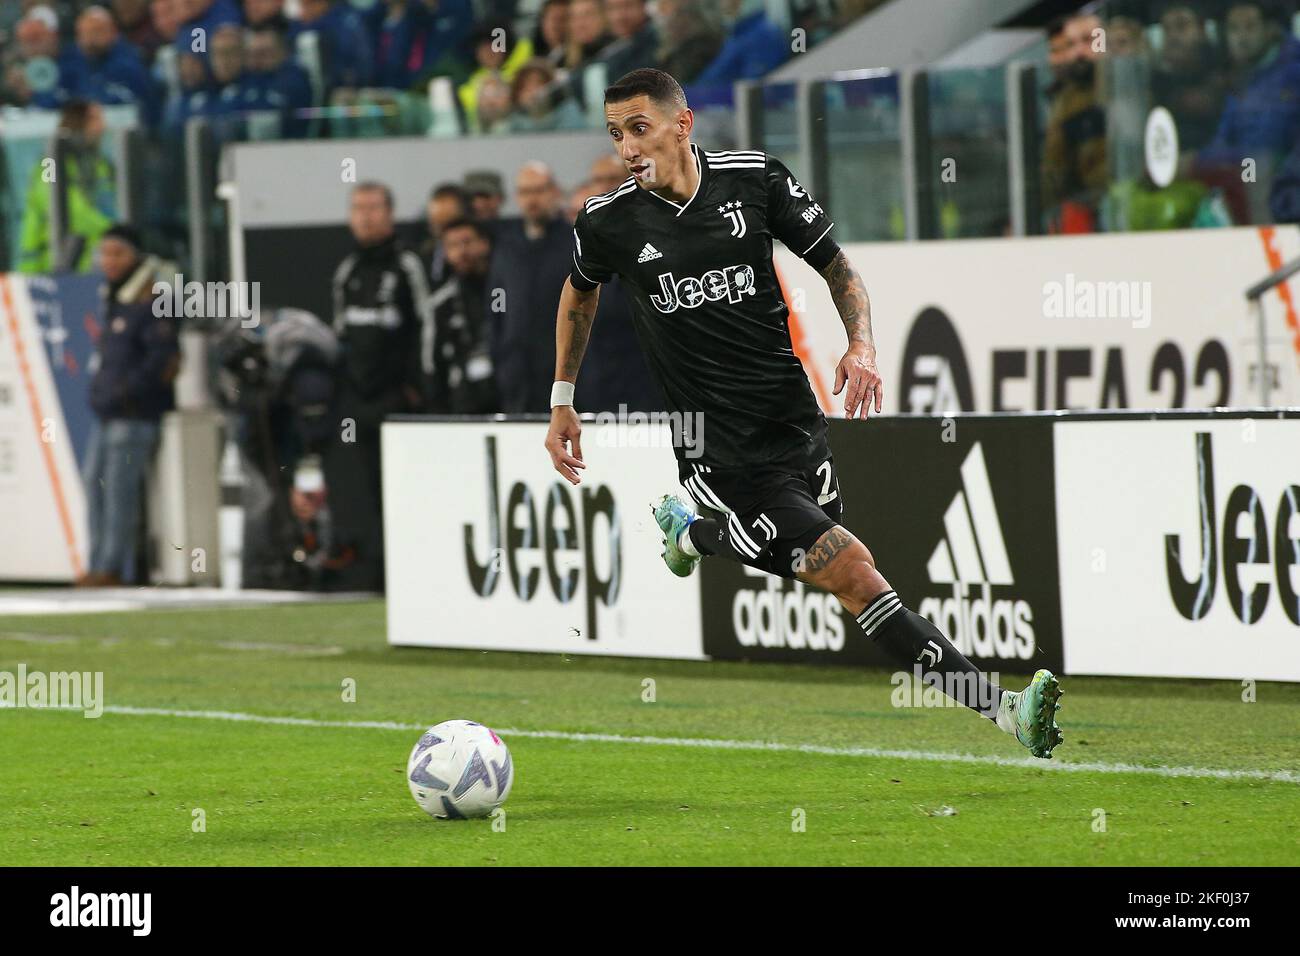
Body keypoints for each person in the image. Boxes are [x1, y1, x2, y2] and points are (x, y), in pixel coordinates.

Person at [544, 68, 1064, 759]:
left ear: (683, 123)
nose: (628, 149)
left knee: (831, 569)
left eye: (639, 129)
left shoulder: (755, 181)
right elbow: (579, 295)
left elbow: (838, 268)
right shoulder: (608, 222)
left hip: (794, 424)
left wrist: (863, 344)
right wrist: (562, 400)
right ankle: (1005, 712)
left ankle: (693, 537)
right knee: (854, 573)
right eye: (616, 135)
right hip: (716, 449)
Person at [323, 182, 431, 590]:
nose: (366, 216)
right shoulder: (347, 271)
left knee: (400, 487)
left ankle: (408, 572)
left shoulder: (407, 266)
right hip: (357, 399)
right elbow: (339, 336)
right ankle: (371, 573)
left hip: (396, 397)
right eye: (358, 208)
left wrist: (417, 386)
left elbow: (426, 327)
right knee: (360, 488)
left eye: (374, 208)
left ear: (390, 214)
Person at [81, 224, 179, 587]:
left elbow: (161, 362)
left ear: (136, 256)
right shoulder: (116, 298)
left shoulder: (154, 299)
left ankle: (113, 568)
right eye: (104, 253)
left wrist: (125, 392)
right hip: (108, 413)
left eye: (117, 253)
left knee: (120, 493)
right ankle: (95, 562)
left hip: (135, 414)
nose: (109, 261)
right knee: (95, 487)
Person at [487, 160, 573, 412]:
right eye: (525, 192)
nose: (532, 199)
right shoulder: (507, 247)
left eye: (539, 190)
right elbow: (497, 297)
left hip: (563, 375)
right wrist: (500, 345)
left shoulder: (574, 243)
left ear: (555, 192)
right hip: (516, 374)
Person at [19, 99, 116, 274]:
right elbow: (69, 210)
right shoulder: (49, 163)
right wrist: (116, 231)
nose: (103, 127)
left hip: (93, 262)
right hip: (50, 264)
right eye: (97, 119)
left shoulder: (100, 164)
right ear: (79, 123)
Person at [425, 217, 499, 412]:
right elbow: (432, 363)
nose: (461, 251)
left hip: (511, 394)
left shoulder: (507, 290)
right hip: (463, 403)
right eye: (452, 245)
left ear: (484, 244)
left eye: (467, 242)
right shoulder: (441, 302)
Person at [419, 182, 471, 288]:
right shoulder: (426, 253)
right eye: (434, 222)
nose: (440, 231)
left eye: (445, 223)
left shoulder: (473, 254)